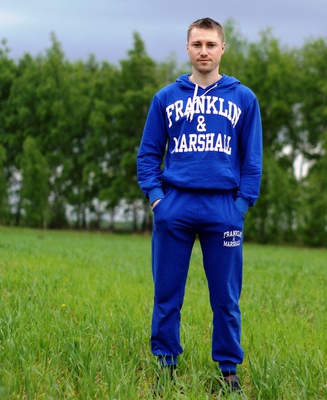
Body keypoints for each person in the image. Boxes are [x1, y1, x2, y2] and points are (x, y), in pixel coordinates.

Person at [137, 17, 262, 392]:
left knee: (226, 297)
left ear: (222, 48)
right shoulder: (166, 98)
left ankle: (228, 371)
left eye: (210, 44)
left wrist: (240, 206)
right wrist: (157, 199)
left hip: (223, 210)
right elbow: (148, 155)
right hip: (174, 208)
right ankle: (165, 368)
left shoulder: (243, 98)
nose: (203, 51)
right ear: (187, 48)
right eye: (197, 44)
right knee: (167, 293)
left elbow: (252, 160)